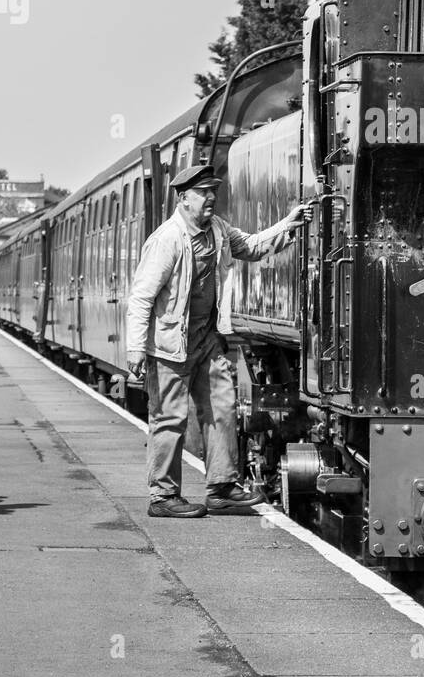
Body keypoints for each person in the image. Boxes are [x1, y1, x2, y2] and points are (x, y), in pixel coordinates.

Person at [126, 164, 306, 518]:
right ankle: (163, 497)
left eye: (213, 191)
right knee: (169, 418)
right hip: (169, 344)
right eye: (203, 192)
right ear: (183, 199)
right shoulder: (167, 240)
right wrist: (135, 348)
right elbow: (142, 297)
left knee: (222, 408)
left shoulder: (218, 231)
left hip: (207, 338)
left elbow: (253, 246)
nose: (211, 198)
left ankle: (221, 487)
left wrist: (288, 224)